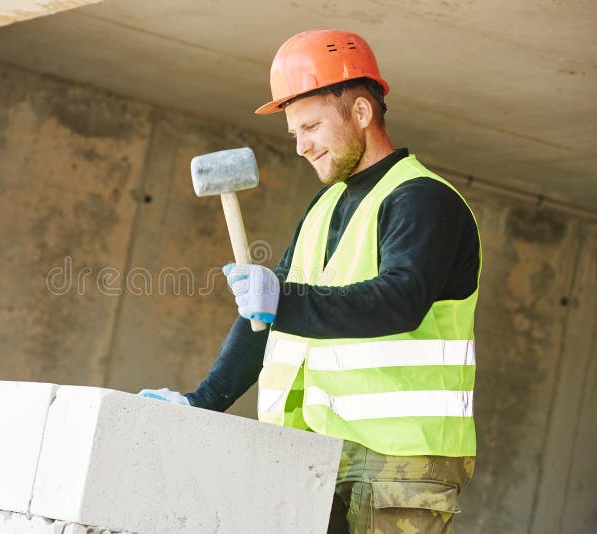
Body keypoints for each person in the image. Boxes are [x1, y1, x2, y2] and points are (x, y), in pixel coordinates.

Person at [141, 28, 480, 534]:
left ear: (361, 112)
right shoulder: (325, 207)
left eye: (311, 127)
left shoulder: (422, 200)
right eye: (294, 133)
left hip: (400, 462)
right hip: (321, 452)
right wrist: (201, 401)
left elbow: (400, 301)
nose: (301, 147)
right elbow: (268, 321)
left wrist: (283, 301)